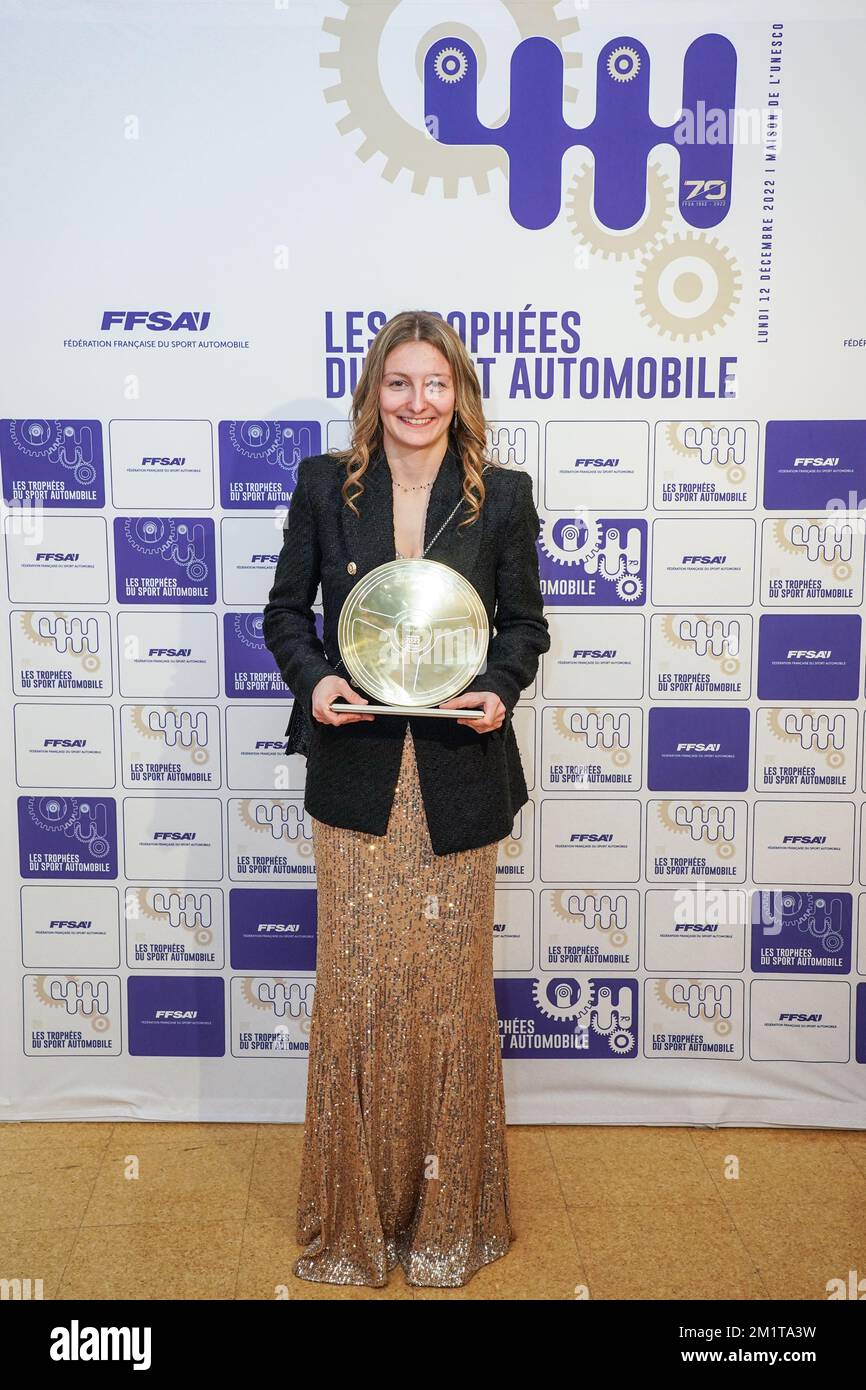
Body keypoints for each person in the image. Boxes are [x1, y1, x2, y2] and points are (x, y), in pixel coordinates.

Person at [262, 309, 550, 1288]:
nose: (416, 401)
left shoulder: (500, 497)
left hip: (459, 781)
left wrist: (498, 689)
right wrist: (314, 680)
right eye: (398, 383)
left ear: (458, 395)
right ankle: (354, 1220)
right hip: (356, 772)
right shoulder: (323, 485)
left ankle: (446, 1221)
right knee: (357, 987)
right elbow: (282, 611)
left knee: (447, 996)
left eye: (434, 383)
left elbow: (522, 626)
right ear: (371, 393)